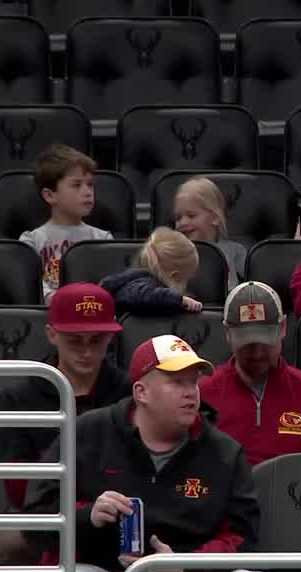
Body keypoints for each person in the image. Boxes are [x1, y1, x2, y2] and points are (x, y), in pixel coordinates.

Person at [23, 334, 259, 571]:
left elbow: (242, 538)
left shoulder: (225, 453)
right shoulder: (88, 432)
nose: (191, 393)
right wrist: (88, 516)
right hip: (101, 565)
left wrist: (182, 561)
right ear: (141, 392)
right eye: (177, 382)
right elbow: (37, 517)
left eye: (193, 382)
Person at [0, 283, 128, 512]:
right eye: (75, 341)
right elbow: (18, 484)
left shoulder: (130, 393)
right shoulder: (18, 399)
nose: (86, 352)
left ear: (110, 337)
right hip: (43, 517)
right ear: (52, 334)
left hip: (118, 514)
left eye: (96, 340)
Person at [200, 281, 301, 466]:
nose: (257, 353)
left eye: (265, 343)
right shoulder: (201, 396)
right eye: (247, 344)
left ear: (283, 328)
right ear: (228, 333)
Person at [19, 144, 113, 303]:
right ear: (49, 196)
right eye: (77, 185)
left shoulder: (103, 238)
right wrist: (56, 299)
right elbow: (31, 285)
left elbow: (109, 285)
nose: (87, 192)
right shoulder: (31, 241)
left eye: (90, 184)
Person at [100, 227, 203, 315]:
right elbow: (140, 295)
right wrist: (180, 299)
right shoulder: (142, 281)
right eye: (185, 280)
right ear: (174, 275)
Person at [173, 176, 247, 290]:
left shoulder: (235, 251)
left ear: (215, 218)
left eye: (191, 216)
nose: (182, 222)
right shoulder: (171, 253)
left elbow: (254, 285)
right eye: (178, 218)